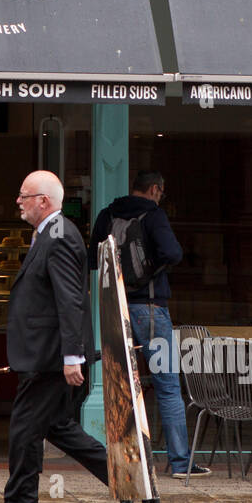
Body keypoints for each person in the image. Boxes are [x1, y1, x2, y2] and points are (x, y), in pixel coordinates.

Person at [0, 169, 110, 503]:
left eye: (24, 196)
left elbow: (70, 301)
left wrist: (72, 357)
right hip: (45, 355)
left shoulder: (59, 236)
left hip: (50, 359)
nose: (18, 202)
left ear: (43, 201)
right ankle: (125, 480)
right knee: (58, 427)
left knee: (24, 429)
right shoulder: (50, 234)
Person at [88, 170, 209, 479]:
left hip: (115, 308)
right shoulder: (154, 215)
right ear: (155, 189)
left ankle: (128, 461)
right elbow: (173, 253)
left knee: (123, 386)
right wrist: (147, 273)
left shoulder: (107, 214)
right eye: (161, 192)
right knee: (167, 386)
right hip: (150, 311)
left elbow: (93, 258)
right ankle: (180, 464)